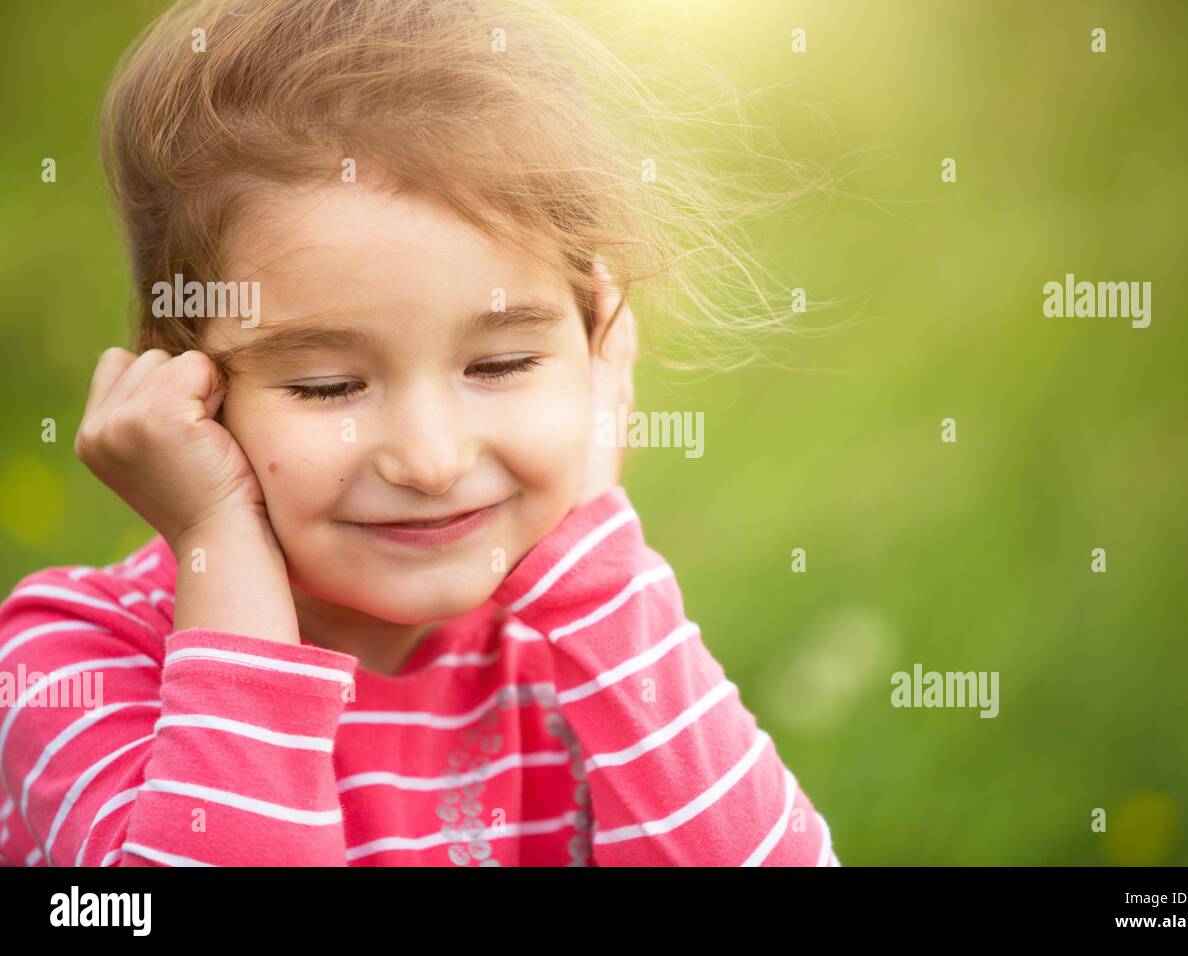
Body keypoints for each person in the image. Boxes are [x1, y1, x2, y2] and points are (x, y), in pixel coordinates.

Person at [0, 0, 839, 867]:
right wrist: (221, 542)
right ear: (185, 387)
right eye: (328, 386)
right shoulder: (73, 663)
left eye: (501, 366)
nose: (432, 461)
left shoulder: (584, 659)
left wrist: (601, 565)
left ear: (594, 340)